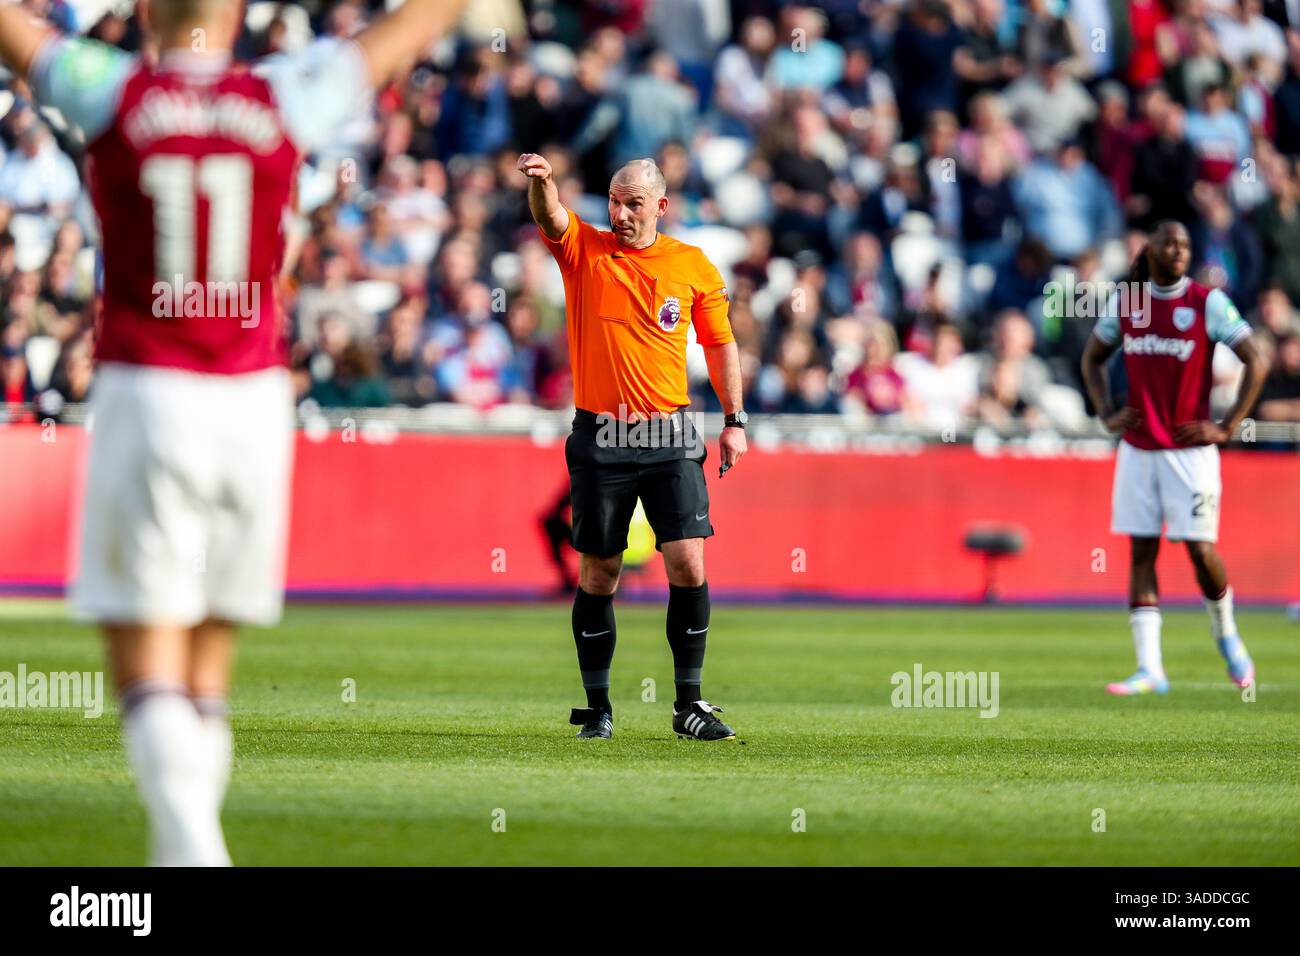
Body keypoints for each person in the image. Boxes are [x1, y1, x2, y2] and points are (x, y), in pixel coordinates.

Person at [0, 0, 466, 866]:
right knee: (208, 672)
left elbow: (18, 35)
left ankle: (193, 852)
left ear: (144, 13)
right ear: (241, 12)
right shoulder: (286, 91)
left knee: (145, 666)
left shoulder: (111, 91)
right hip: (253, 402)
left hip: (148, 390)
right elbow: (407, 31)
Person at [517, 150, 746, 741]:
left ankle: (688, 704)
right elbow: (552, 219)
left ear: (660, 207)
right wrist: (544, 184)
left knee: (688, 562)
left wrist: (734, 418)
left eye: (633, 203)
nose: (619, 213)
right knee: (600, 571)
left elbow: (719, 345)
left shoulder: (691, 265)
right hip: (601, 433)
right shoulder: (585, 251)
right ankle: (598, 707)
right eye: (614, 201)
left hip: (670, 431)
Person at [1080, 221, 1269, 696]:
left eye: (1185, 243)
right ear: (1152, 250)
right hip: (1139, 449)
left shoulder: (1206, 303)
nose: (1179, 250)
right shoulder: (1130, 303)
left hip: (1190, 453)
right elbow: (1092, 358)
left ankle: (1226, 635)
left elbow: (1257, 360)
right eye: (1170, 243)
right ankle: (1150, 669)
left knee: (1200, 551)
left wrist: (1226, 426)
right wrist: (1106, 411)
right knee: (1141, 552)